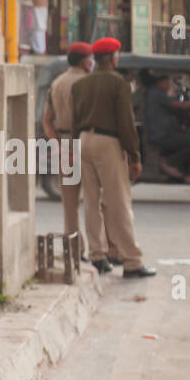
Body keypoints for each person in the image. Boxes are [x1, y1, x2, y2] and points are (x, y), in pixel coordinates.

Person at [70, 37, 156, 277]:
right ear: (112, 59)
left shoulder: (80, 85)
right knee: (119, 203)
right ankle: (132, 261)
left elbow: (76, 121)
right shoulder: (119, 83)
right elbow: (126, 123)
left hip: (83, 141)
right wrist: (135, 156)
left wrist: (74, 147)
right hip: (108, 143)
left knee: (91, 201)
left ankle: (97, 256)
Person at [42, 42, 99, 247]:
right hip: (88, 142)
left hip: (65, 143)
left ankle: (74, 249)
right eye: (91, 58)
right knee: (95, 200)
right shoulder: (91, 83)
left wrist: (58, 146)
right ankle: (98, 250)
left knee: (70, 203)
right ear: (85, 61)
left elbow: (47, 121)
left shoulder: (56, 83)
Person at [142, 73, 190, 184]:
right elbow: (181, 105)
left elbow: (178, 110)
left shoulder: (157, 94)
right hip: (163, 136)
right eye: (167, 82)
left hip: (166, 133)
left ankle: (183, 170)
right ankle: (173, 164)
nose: (169, 85)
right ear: (160, 83)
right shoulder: (155, 94)